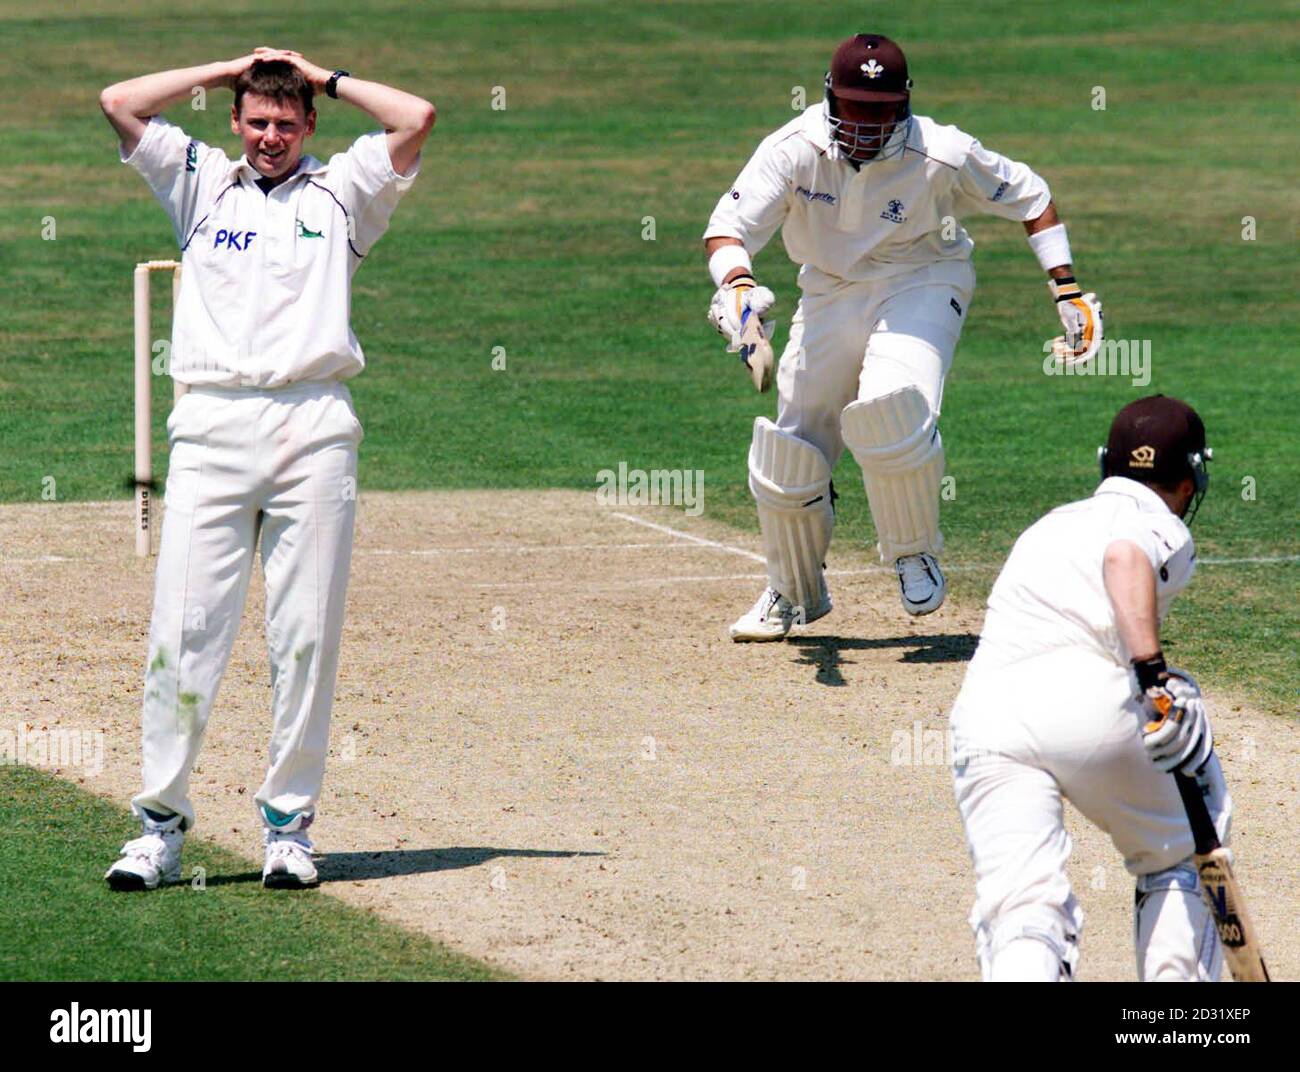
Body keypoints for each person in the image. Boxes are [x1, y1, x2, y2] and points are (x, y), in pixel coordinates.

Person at [99, 49, 434, 889]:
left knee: (305, 638)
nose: (271, 136)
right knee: (184, 634)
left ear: (310, 124)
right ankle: (159, 830)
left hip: (313, 427)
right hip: (210, 428)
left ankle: (289, 828)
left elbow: (415, 116)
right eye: (256, 121)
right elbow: (120, 99)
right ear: (236, 120)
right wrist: (228, 68)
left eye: (286, 122)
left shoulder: (346, 189)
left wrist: (320, 74)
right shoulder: (200, 181)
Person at [703, 32, 1103, 640]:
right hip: (830, 289)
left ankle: (913, 550)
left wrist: (1066, 290)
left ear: (904, 103)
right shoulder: (792, 149)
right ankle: (791, 590)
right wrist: (737, 285)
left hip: (923, 278)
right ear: (829, 97)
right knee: (791, 451)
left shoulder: (942, 151)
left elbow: (1031, 195)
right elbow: (726, 227)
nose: (867, 124)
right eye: (855, 108)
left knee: (891, 409)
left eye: (881, 110)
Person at [950, 395, 1225, 981]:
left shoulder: (1051, 521)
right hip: (1090, 711)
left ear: (1107, 464)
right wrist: (1157, 678)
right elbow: (1124, 558)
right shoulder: (1159, 525)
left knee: (1023, 904)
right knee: (1181, 849)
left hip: (988, 717)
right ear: (1190, 478)